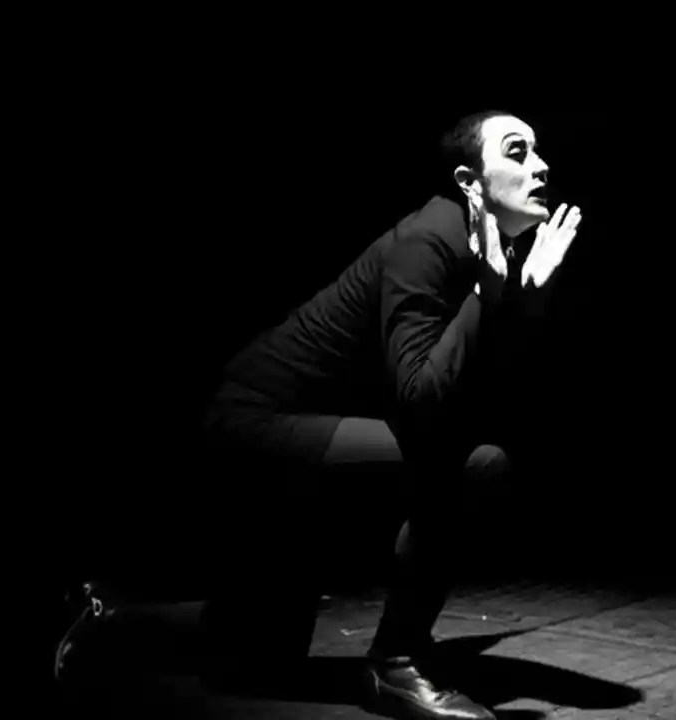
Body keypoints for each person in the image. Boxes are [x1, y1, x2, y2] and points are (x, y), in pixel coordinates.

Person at [200, 109, 581, 719]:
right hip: (254, 421)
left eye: (538, 151)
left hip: (322, 421)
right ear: (469, 181)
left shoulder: (487, 249)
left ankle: (110, 616)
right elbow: (423, 402)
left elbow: (480, 388)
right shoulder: (427, 241)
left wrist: (521, 301)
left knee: (255, 648)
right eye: (516, 151)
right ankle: (396, 665)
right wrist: (492, 295)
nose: (540, 165)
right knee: (473, 466)